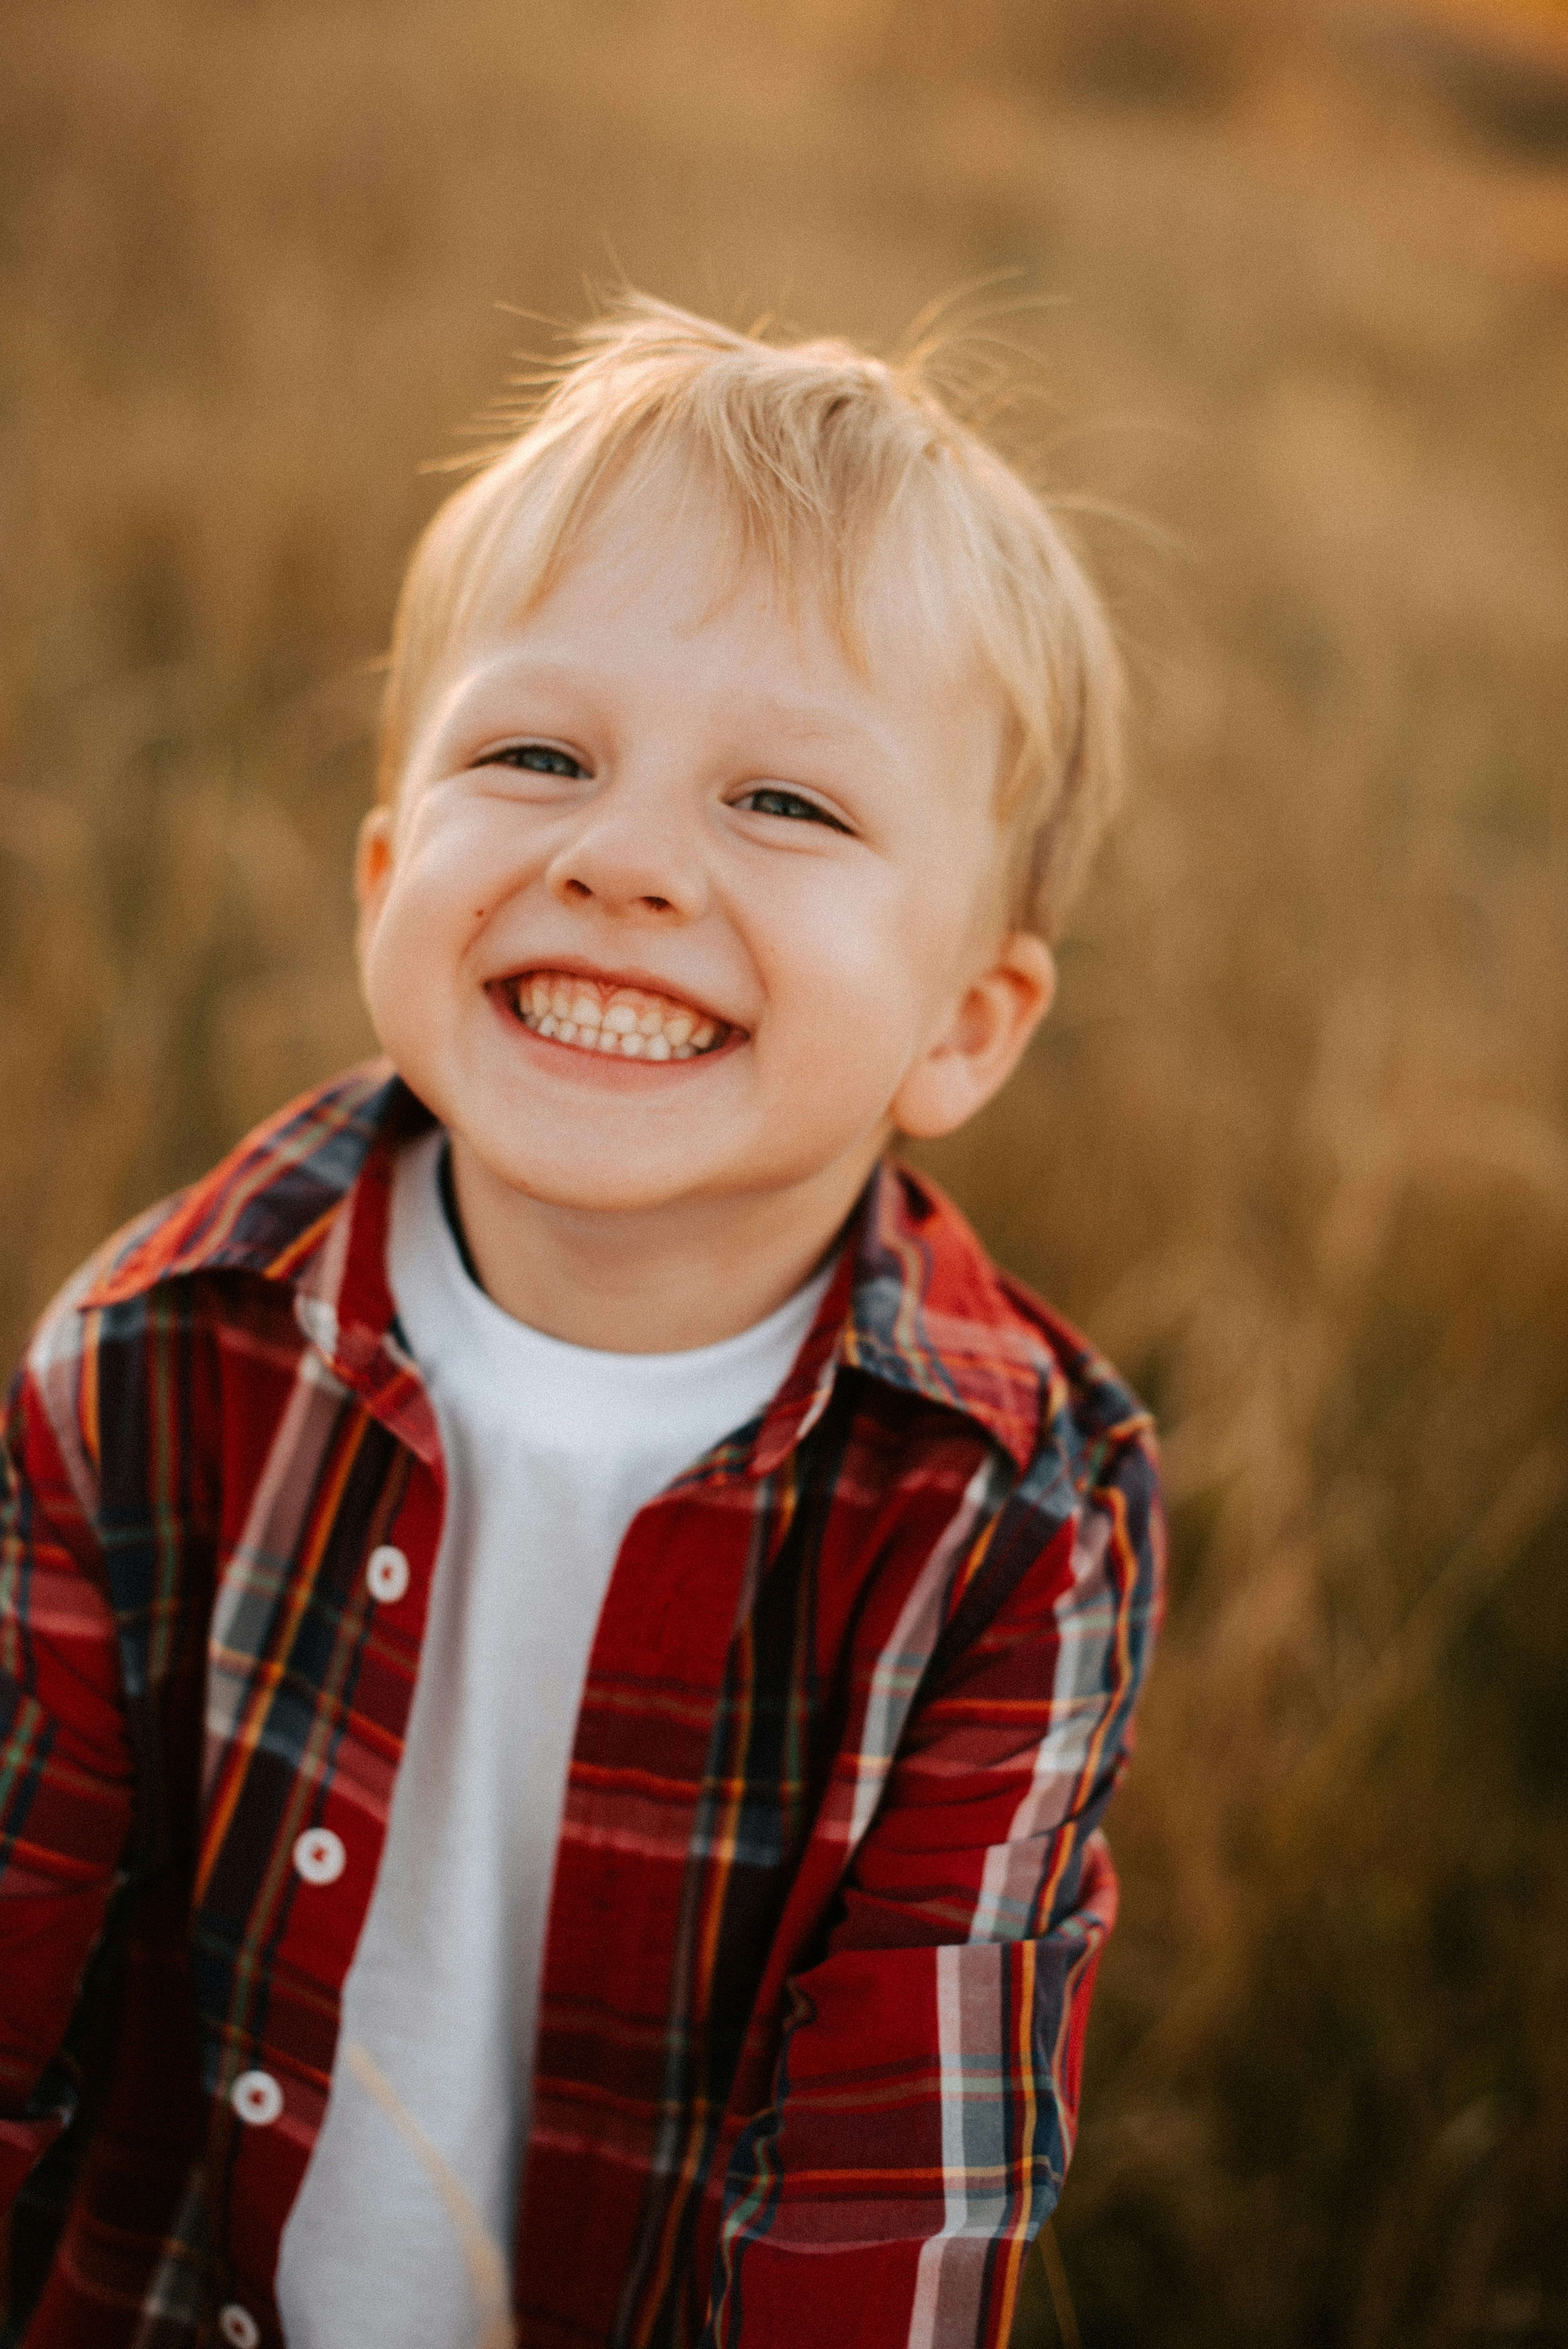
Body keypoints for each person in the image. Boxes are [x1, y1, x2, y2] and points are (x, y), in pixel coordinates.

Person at [0, 295, 1164, 2349]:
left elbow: (888, 2201)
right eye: (535, 756)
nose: (621, 860)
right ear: (386, 874)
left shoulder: (1011, 1521)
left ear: (965, 1026)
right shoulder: (152, 1355)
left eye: (785, 805)